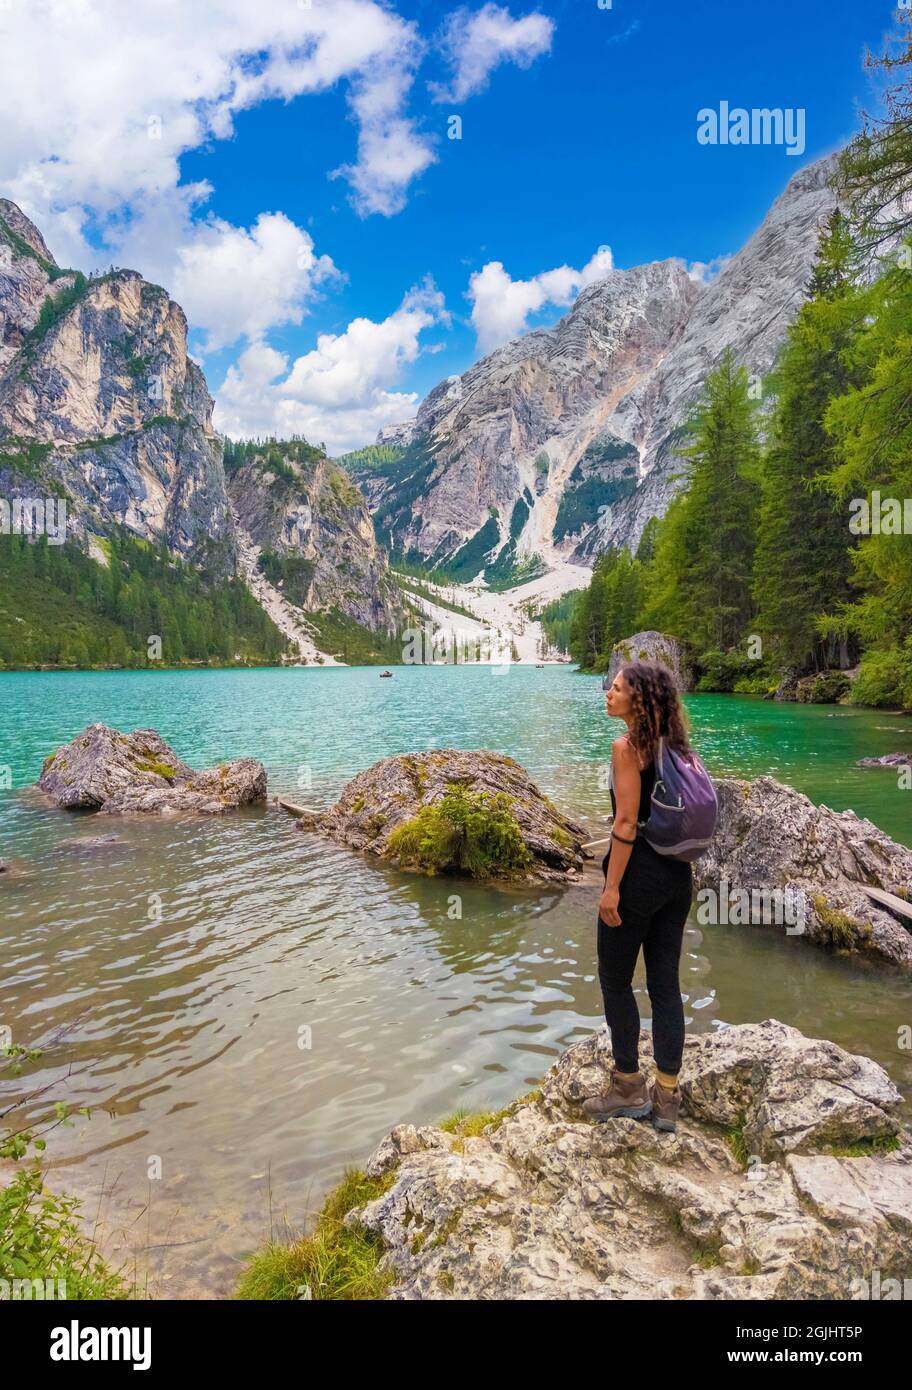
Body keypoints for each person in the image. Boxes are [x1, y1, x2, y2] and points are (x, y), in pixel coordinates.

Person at [582, 661, 694, 1133]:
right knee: (665, 983)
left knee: (615, 980)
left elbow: (626, 824)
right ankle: (667, 1096)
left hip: (639, 878)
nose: (609, 692)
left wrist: (611, 888)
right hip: (677, 877)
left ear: (639, 700)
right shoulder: (680, 749)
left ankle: (628, 1084)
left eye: (618, 688)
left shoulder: (627, 748)